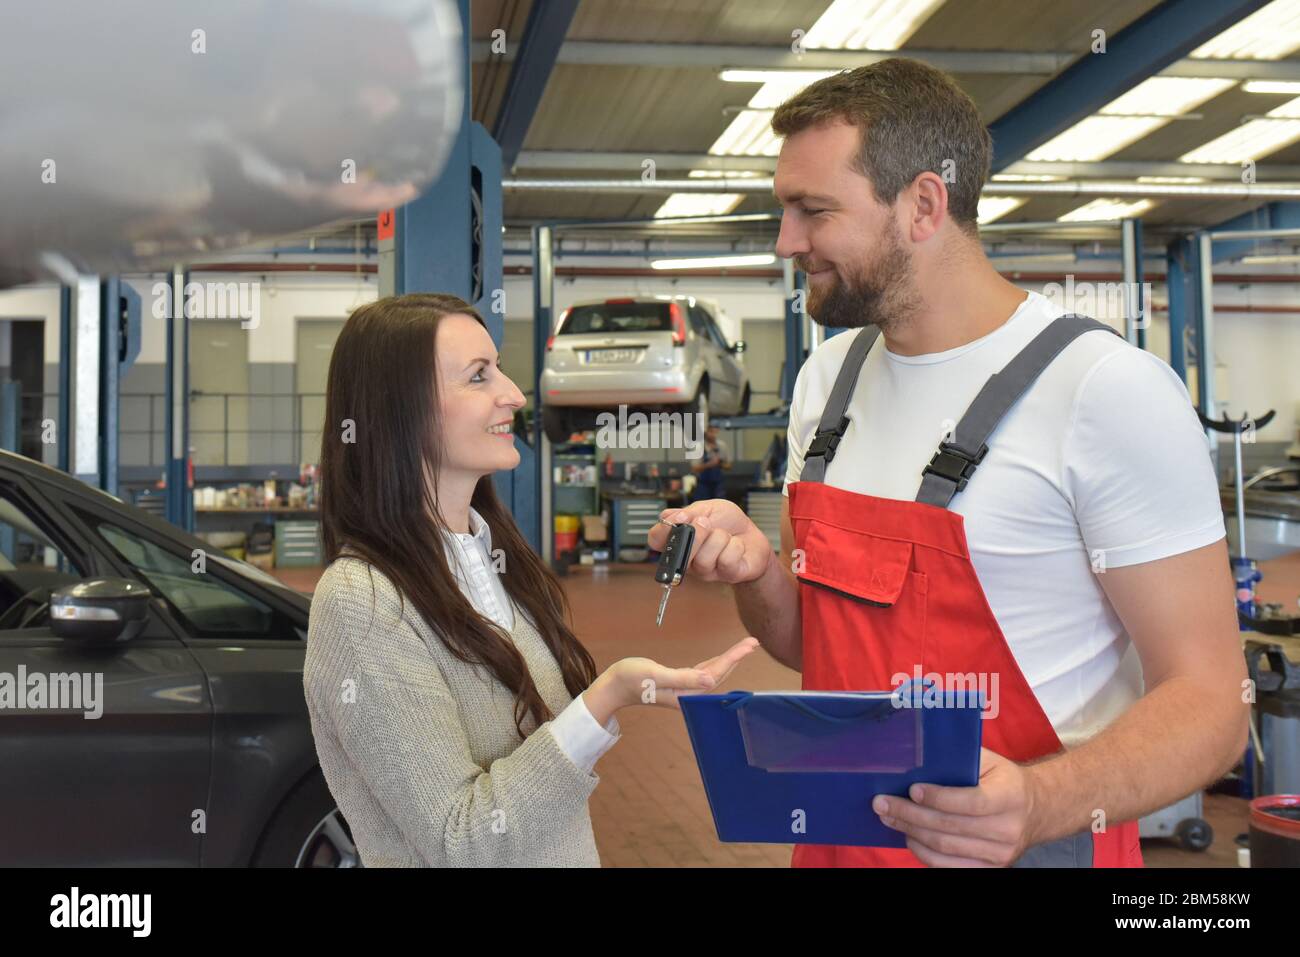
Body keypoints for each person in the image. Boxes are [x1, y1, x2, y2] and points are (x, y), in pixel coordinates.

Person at [649, 58, 1248, 868]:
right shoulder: (828, 381)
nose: (787, 242)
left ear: (925, 204)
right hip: (837, 849)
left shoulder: (1104, 392)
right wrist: (757, 572)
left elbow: (1214, 704)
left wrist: (1041, 803)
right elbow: (809, 648)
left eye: (812, 211)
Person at [304, 293, 757, 867]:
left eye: (500, 368)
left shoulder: (493, 564)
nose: (514, 394)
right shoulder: (362, 605)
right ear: (400, 409)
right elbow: (462, 842)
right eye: (478, 376)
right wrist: (607, 697)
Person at [690, 425, 731, 502]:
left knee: (720, 507)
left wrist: (720, 464)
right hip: (703, 486)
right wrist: (709, 465)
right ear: (706, 432)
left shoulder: (722, 446)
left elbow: (729, 466)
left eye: (715, 432)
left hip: (718, 485)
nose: (713, 434)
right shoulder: (698, 447)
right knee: (702, 508)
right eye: (711, 432)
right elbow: (694, 468)